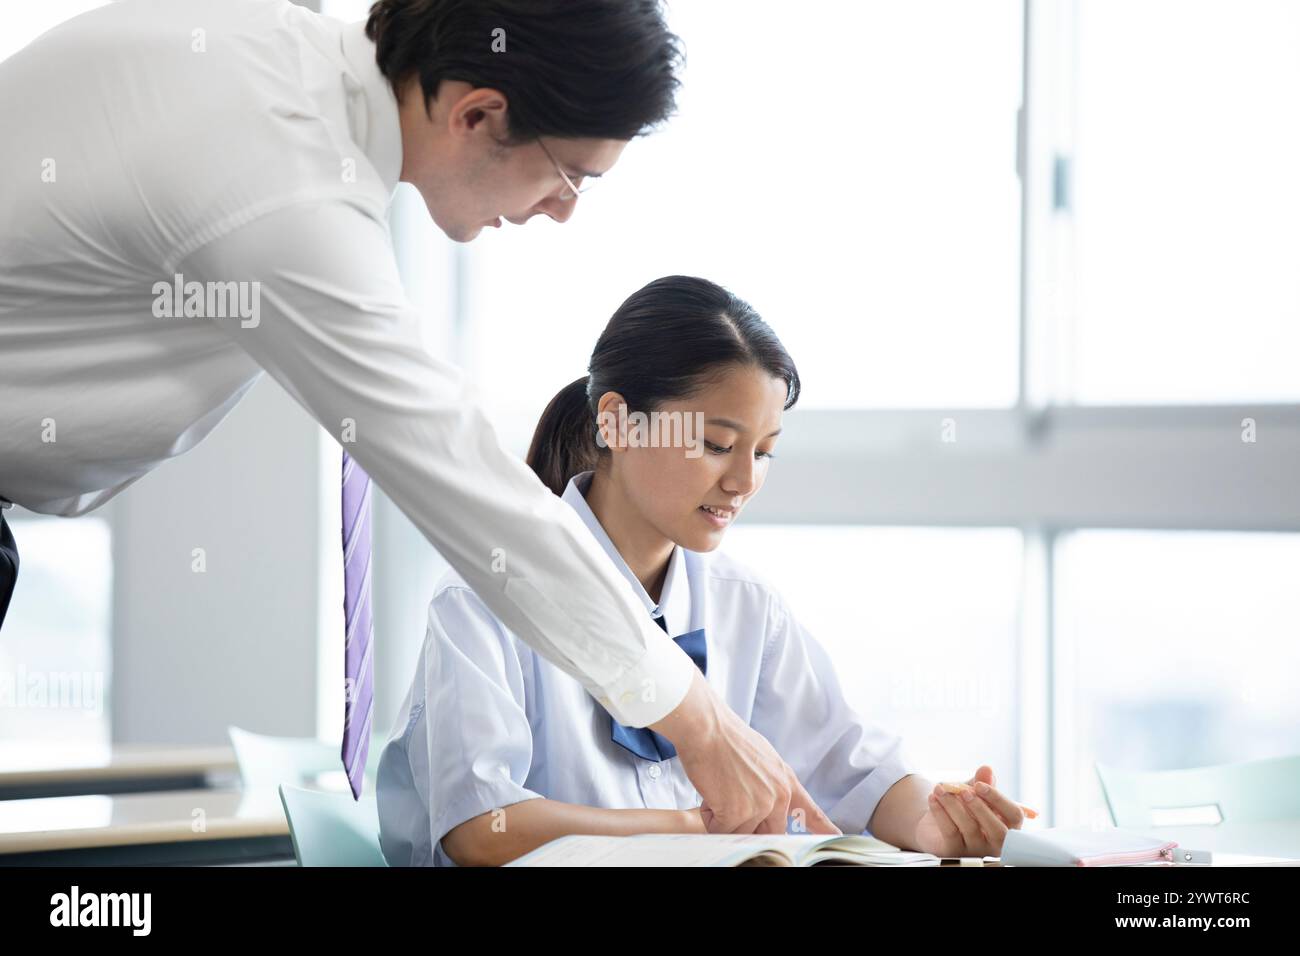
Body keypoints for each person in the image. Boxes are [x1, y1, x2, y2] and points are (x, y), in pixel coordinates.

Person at [0, 0, 835, 831]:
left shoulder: (272, 68)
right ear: (478, 113)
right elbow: (457, 474)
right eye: (570, 172)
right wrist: (696, 717)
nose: (564, 208)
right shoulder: (284, 181)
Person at [375, 276, 1028, 866]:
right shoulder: (484, 595)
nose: (744, 480)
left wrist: (936, 823)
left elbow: (855, 772)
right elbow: (480, 829)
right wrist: (693, 829)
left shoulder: (747, 608)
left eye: (764, 452)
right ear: (617, 421)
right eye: (716, 445)